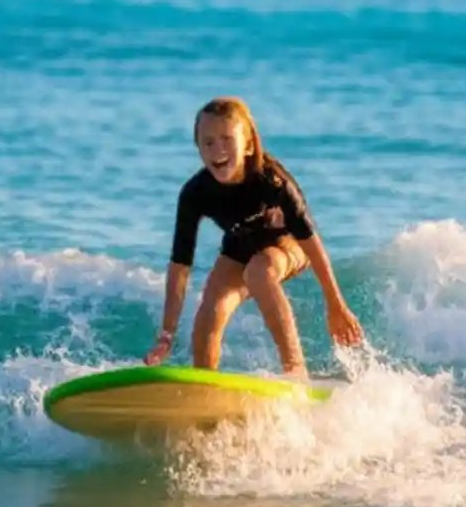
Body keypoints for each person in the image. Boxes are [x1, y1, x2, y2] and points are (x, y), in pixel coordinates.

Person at [142, 96, 364, 378]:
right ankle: (205, 387)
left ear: (247, 145)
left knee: (260, 271)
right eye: (207, 142)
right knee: (209, 313)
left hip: (288, 245)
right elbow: (180, 265)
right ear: (198, 148)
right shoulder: (195, 193)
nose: (217, 149)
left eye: (226, 139)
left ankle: (295, 370)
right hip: (240, 245)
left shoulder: (271, 181)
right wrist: (166, 335)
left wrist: (336, 305)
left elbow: (311, 242)